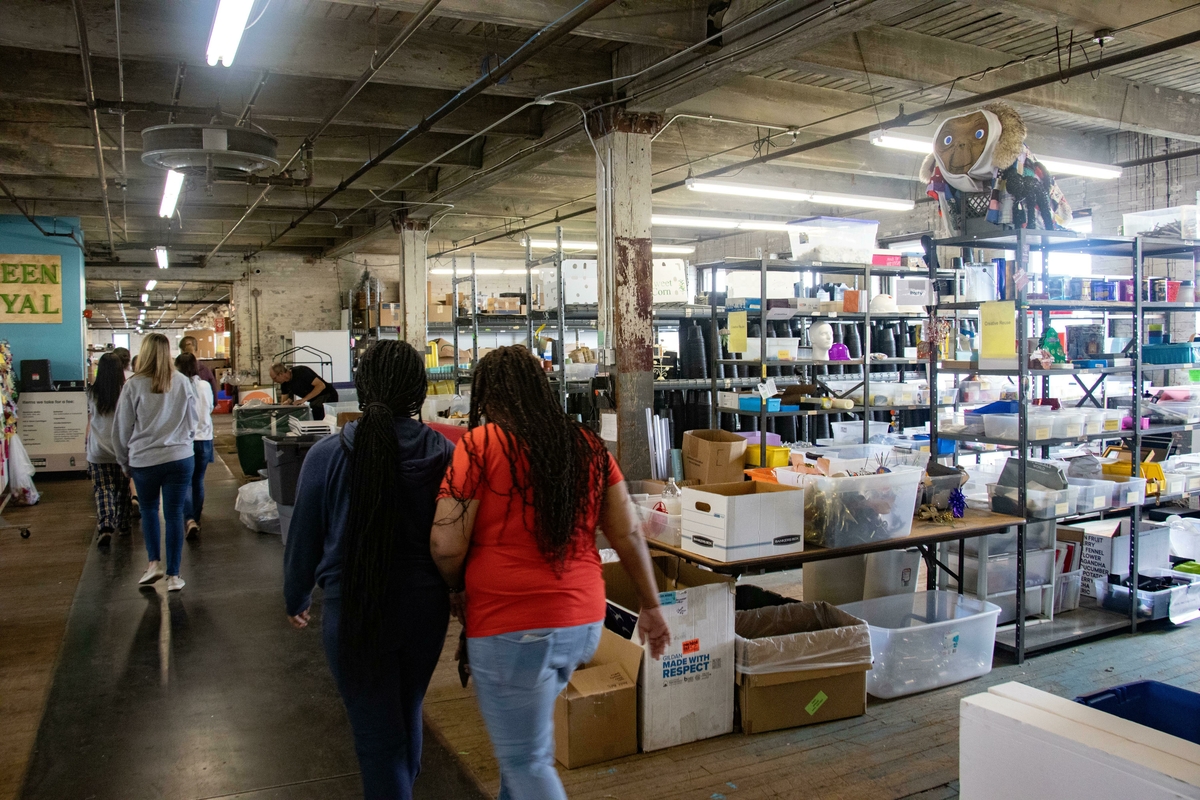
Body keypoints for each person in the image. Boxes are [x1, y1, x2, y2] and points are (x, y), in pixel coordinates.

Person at [431, 346, 670, 800]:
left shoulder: (481, 446)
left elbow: (446, 543)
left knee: (526, 762)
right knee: (518, 759)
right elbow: (629, 535)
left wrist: (454, 587)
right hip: (580, 623)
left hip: (513, 627)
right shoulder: (587, 445)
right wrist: (651, 606)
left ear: (489, 397)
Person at [284, 340, 456, 800]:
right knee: (406, 710)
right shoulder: (445, 453)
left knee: (377, 739)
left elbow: (303, 537)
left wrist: (296, 596)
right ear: (419, 391)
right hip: (425, 610)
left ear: (362, 389)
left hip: (355, 609)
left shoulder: (327, 455)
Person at [114, 333, 198, 592]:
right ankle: (174, 576)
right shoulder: (183, 382)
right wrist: (183, 442)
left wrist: (123, 460)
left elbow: (121, 428)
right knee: (174, 515)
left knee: (149, 510)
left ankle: (154, 564)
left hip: (144, 459)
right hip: (180, 457)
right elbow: (192, 422)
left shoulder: (133, 385)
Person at [86, 353, 132, 547]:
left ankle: (105, 524)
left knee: (103, 489)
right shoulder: (126, 391)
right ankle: (124, 524)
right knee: (122, 490)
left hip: (97, 451)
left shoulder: (91, 393)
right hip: (121, 449)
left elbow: (90, 420)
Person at [175, 353, 214, 542]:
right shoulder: (205, 385)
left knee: (185, 482)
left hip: (185, 440)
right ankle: (196, 519)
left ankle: (189, 518)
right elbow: (211, 407)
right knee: (198, 480)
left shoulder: (178, 386)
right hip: (205, 438)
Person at [270, 362, 338, 421]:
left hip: (327, 394)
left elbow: (321, 385)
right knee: (317, 418)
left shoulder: (301, 372)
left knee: (324, 420)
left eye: (274, 378)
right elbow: (283, 401)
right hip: (314, 400)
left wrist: (303, 399)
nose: (274, 381)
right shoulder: (284, 383)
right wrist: (288, 402)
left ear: (281, 374)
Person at [180, 335, 219, 401]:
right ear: (196, 350)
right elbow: (214, 397)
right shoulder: (205, 370)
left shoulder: (177, 372)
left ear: (181, 351)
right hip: (203, 410)